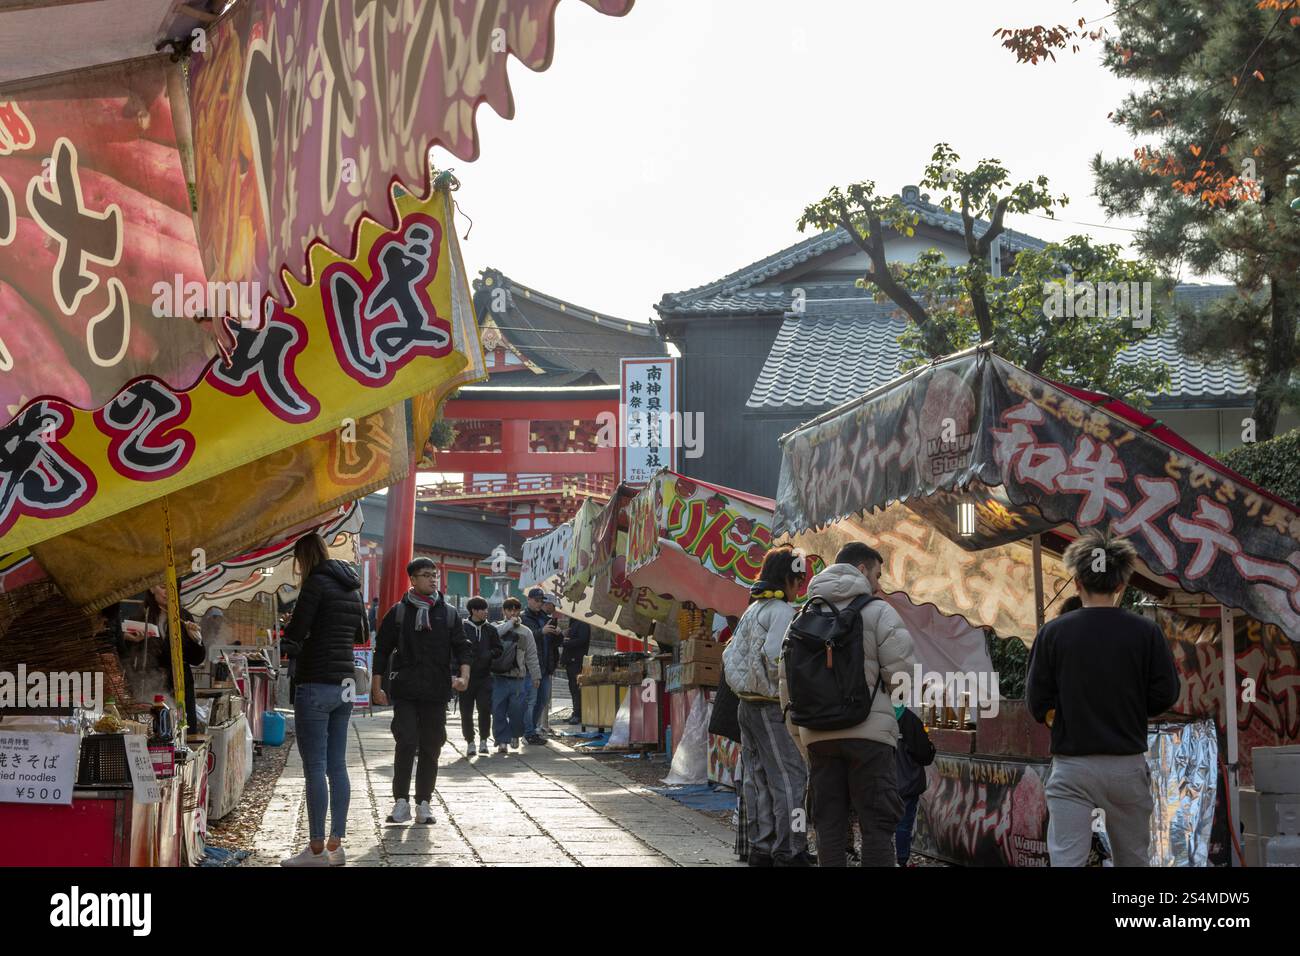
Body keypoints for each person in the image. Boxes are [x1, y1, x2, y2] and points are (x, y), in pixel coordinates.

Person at [1026, 530, 1180, 867]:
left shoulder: (1053, 633)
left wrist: (1062, 715)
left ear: (1077, 582)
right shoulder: (1146, 632)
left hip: (1072, 766)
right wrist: (1134, 709)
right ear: (1121, 585)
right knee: (1134, 859)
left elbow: (1037, 701)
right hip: (1127, 762)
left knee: (1067, 860)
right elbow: (1166, 693)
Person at [779, 541, 916, 867]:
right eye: (877, 575)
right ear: (861, 570)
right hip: (870, 741)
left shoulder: (801, 617)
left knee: (828, 828)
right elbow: (902, 675)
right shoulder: (879, 611)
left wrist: (804, 740)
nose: (879, 584)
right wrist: (890, 720)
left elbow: (786, 690)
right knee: (877, 827)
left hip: (819, 738)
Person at [277, 533, 366, 867]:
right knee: (337, 764)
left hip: (315, 681)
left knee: (314, 766)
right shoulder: (352, 585)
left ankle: (315, 850)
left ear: (304, 558)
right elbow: (360, 634)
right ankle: (336, 844)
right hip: (344, 681)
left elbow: (297, 632)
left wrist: (294, 635)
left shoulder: (315, 583)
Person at [721, 545, 811, 867]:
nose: (799, 587)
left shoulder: (752, 609)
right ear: (788, 578)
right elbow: (778, 657)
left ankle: (761, 848)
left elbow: (729, 655)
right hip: (772, 707)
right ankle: (791, 849)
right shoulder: (783, 613)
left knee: (757, 778)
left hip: (745, 706)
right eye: (798, 580)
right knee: (791, 779)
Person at [371, 558, 472, 826]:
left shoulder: (448, 613)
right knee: (406, 741)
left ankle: (424, 802)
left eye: (434, 575)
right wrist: (377, 685)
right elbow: (381, 650)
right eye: (426, 575)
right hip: (405, 689)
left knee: (431, 745)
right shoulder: (399, 613)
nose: (432, 579)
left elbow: (462, 647)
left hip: (437, 691)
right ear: (412, 580)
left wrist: (464, 676)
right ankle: (401, 801)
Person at [122, 585, 206, 729]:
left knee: (182, 731)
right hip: (149, 686)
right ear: (151, 588)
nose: (168, 591)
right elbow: (128, 657)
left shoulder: (184, 617)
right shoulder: (140, 617)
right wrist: (130, 640)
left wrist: (197, 641)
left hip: (180, 685)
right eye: (162, 587)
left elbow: (197, 659)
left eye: (172, 587)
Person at [490, 596, 540, 753]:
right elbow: (494, 635)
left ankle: (515, 734)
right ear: (503, 611)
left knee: (518, 710)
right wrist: (510, 624)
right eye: (509, 609)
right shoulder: (494, 627)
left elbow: (531, 655)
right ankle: (501, 740)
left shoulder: (526, 632)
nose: (513, 612)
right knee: (498, 710)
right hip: (498, 677)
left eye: (516, 609)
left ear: (519, 611)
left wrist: (536, 675)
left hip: (518, 677)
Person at [894, 704, 936, 866]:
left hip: (880, 783)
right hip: (907, 782)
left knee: (879, 826)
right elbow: (925, 755)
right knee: (903, 825)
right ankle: (901, 860)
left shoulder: (872, 714)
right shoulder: (910, 719)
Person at [460, 597, 495, 755]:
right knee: (465, 712)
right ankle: (470, 741)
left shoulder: (490, 629)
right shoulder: (462, 628)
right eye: (483, 609)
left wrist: (489, 654)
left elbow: (498, 649)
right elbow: (455, 651)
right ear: (474, 610)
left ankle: (483, 740)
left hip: (484, 677)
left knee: (485, 709)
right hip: (466, 677)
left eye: (486, 609)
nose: (486, 612)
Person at [521, 588, 553, 744]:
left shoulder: (544, 617)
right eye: (537, 600)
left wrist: (557, 633)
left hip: (546, 666)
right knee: (531, 700)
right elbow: (525, 638)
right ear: (529, 599)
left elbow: (552, 642)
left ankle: (531, 729)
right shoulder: (523, 617)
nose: (540, 603)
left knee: (543, 700)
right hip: (531, 667)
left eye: (542, 601)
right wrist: (542, 631)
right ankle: (528, 732)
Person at [559, 610, 591, 724]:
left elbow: (582, 640)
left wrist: (566, 642)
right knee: (573, 688)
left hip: (577, 660)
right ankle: (575, 712)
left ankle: (578, 714)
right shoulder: (574, 622)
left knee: (577, 688)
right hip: (570, 660)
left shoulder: (582, 623)